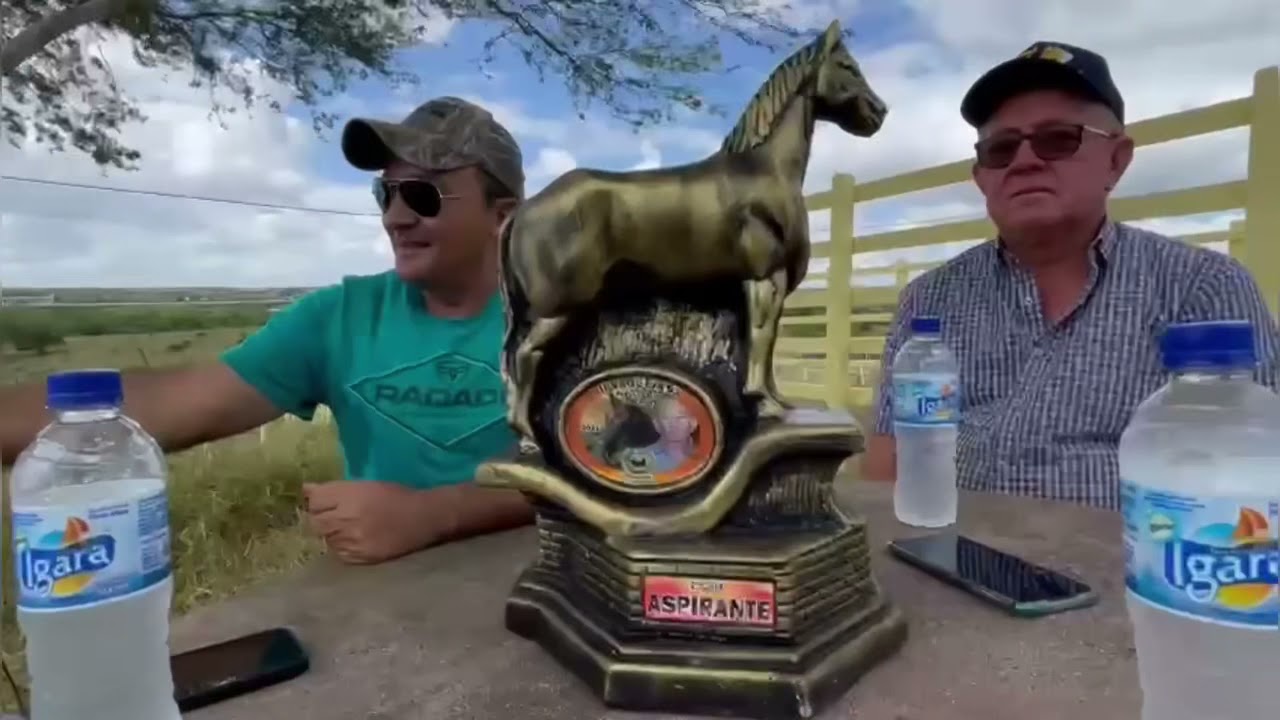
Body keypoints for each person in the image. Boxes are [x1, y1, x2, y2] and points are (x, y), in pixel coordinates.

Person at [0, 97, 535, 564]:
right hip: (382, 612)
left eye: (422, 195)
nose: (395, 217)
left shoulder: (564, 321)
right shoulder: (341, 318)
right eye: (386, 193)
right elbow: (173, 402)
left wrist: (436, 514)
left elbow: (589, 473)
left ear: (502, 216)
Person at [861, 42, 1280, 509]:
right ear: (981, 178)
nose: (1024, 161)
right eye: (1001, 149)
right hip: (948, 546)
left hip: (1138, 554)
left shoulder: (1202, 289)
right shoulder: (928, 300)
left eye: (1058, 139)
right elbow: (887, 465)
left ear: (1116, 160)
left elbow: (1255, 482)